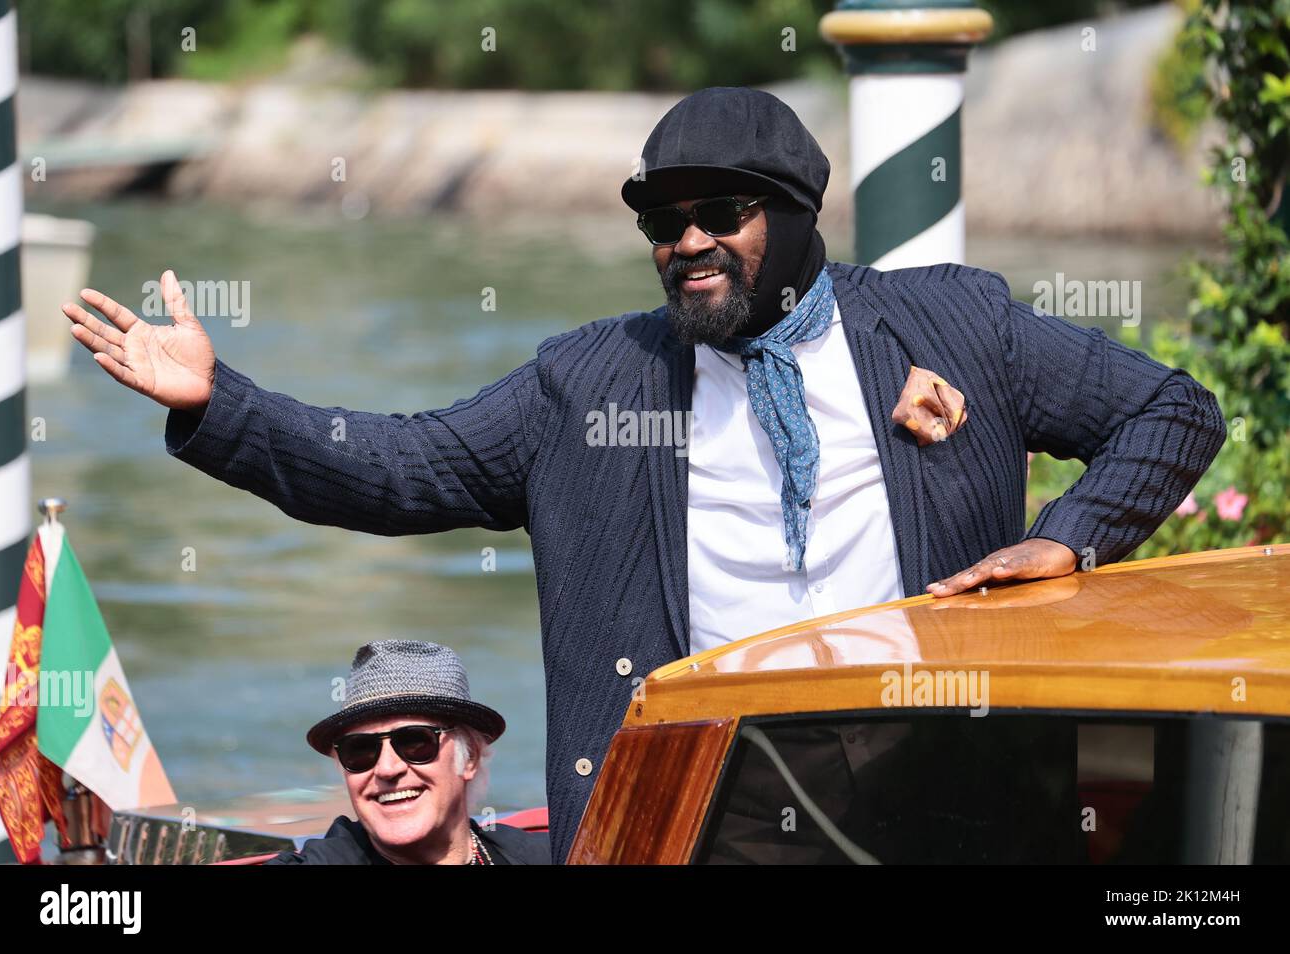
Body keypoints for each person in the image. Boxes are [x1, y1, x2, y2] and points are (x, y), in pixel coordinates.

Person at [63, 87, 1226, 863]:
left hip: (938, 790)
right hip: (695, 804)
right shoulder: (589, 384)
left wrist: (1066, 540)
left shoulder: (953, 325)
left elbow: (1170, 411)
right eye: (661, 221)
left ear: (797, 217)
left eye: (718, 212)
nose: (684, 241)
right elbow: (399, 469)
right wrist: (225, 405)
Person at [267, 640, 549, 865]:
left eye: (415, 742)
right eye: (361, 749)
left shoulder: (548, 854)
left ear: (470, 757)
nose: (387, 768)